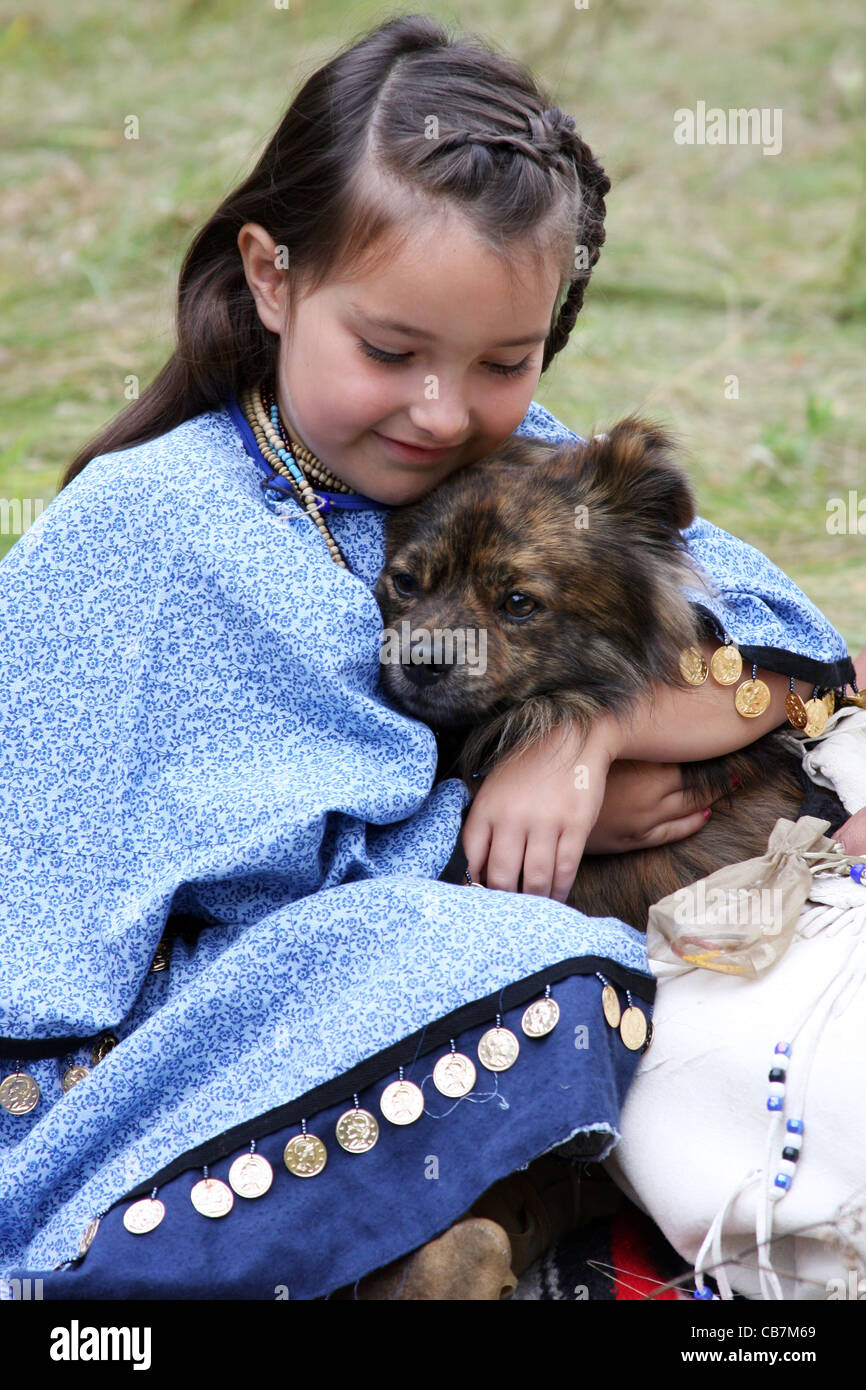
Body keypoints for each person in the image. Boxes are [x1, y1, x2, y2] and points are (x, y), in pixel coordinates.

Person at [0, 13, 859, 1301]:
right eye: (390, 353)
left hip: (501, 975)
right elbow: (119, 899)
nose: (444, 413)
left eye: (504, 363)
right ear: (274, 277)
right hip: (226, 1031)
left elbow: (799, 655)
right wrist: (469, 826)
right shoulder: (137, 531)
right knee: (520, 966)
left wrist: (591, 739)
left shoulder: (520, 466)